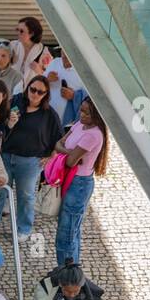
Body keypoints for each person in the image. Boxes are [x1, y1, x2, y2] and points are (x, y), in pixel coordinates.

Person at [0, 73, 63, 240]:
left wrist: (51, 156)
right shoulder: (15, 101)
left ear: (45, 95)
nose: (35, 94)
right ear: (27, 88)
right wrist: (8, 123)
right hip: (6, 155)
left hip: (29, 162)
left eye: (40, 92)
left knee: (26, 196)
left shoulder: (49, 114)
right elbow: (0, 123)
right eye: (32, 89)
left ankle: (24, 229)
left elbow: (60, 138)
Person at [53, 97, 109, 264]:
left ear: (97, 115)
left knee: (66, 235)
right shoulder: (79, 124)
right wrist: (71, 152)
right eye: (81, 110)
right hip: (70, 180)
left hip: (78, 185)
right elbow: (58, 144)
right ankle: (71, 272)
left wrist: (67, 153)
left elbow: (70, 161)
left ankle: (67, 276)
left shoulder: (94, 135)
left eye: (87, 112)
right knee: (71, 231)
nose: (82, 114)